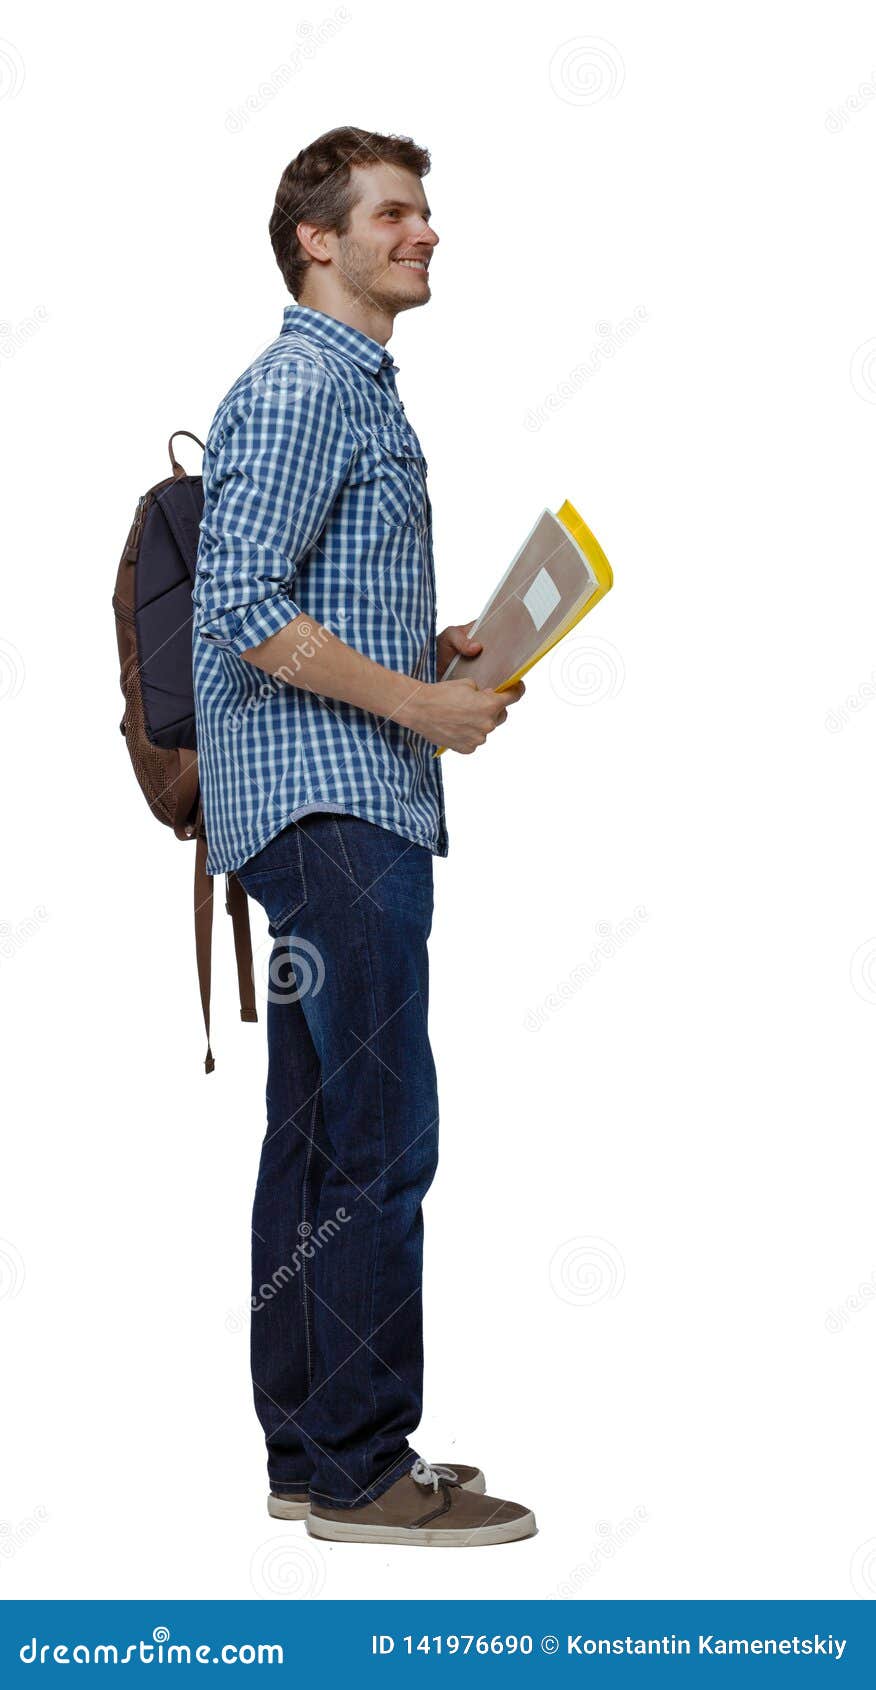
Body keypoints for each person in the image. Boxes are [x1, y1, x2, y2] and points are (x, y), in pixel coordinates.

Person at [192, 126, 535, 1547]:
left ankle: (309, 1452)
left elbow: (293, 591)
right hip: (337, 811)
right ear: (317, 240)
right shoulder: (301, 386)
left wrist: (431, 651)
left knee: (322, 1137)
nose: (424, 230)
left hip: (322, 807)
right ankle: (365, 1471)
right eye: (394, 213)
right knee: (381, 1144)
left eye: (424, 210)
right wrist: (417, 704)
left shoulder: (351, 390)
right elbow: (238, 600)